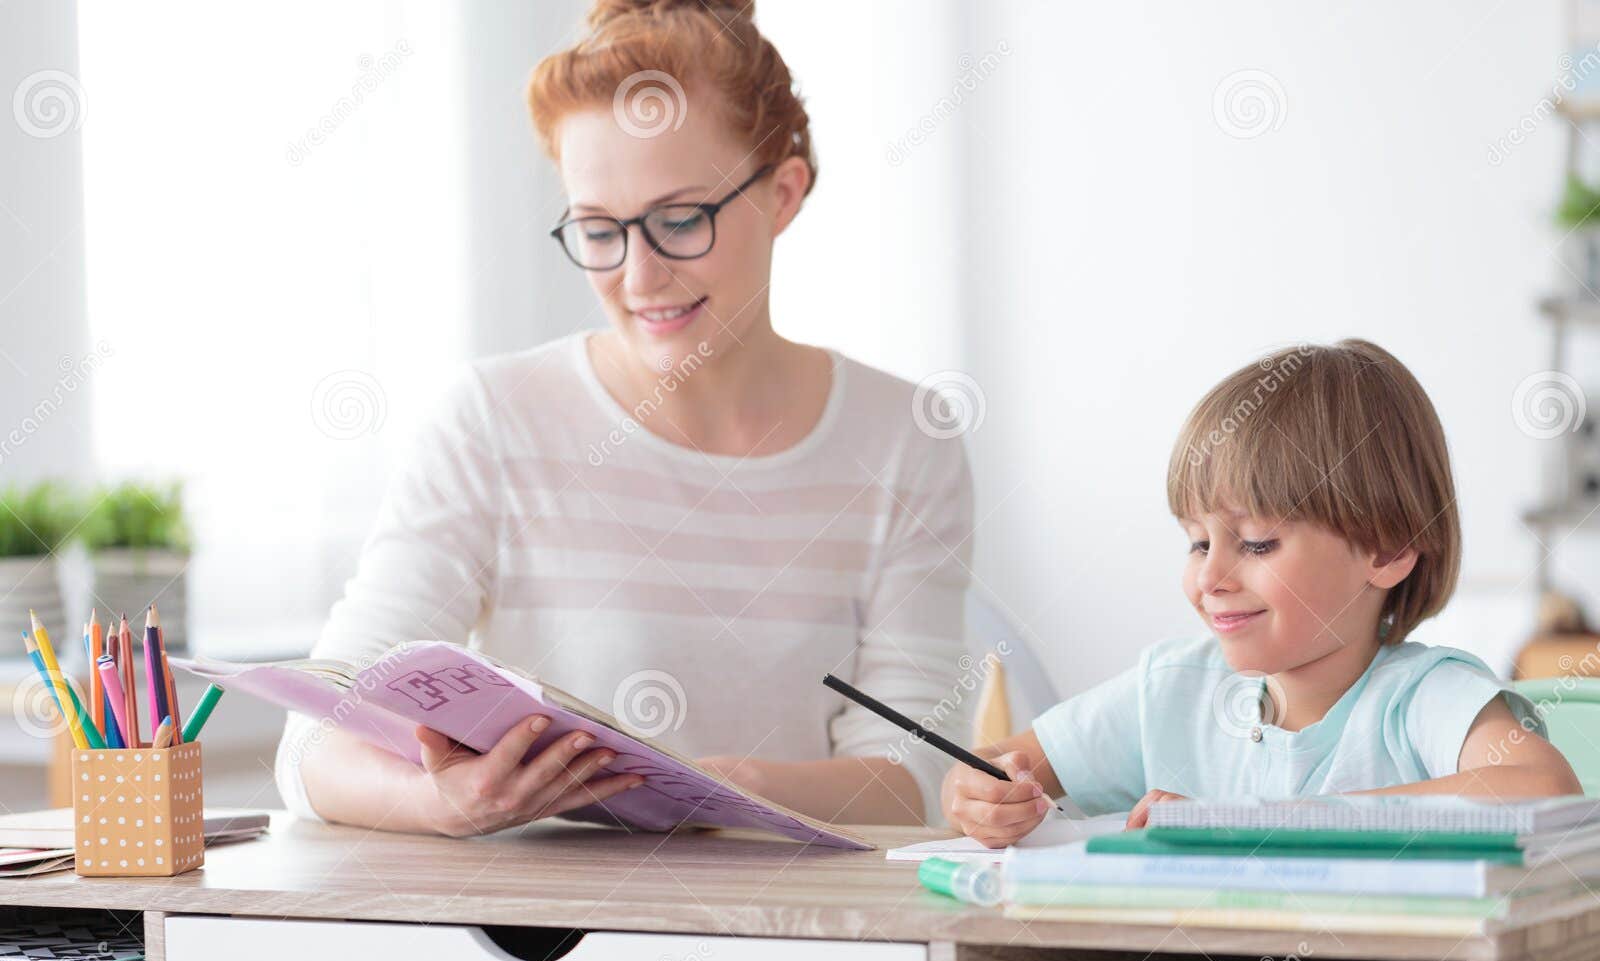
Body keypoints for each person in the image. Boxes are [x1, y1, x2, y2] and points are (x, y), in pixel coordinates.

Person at [275, 0, 973, 835]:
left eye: (680, 220)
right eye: (599, 230)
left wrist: (728, 789)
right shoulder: (492, 422)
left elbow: (918, 773)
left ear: (783, 194)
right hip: (543, 912)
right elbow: (314, 736)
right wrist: (445, 803)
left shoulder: (903, 438)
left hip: (800, 909)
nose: (639, 277)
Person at [941, 339, 1579, 847]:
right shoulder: (1172, 690)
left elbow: (1541, 788)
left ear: (1387, 551)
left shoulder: (1423, 697)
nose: (1210, 578)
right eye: (1198, 543)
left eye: (1256, 544)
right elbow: (991, 763)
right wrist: (977, 794)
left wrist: (1263, 820)